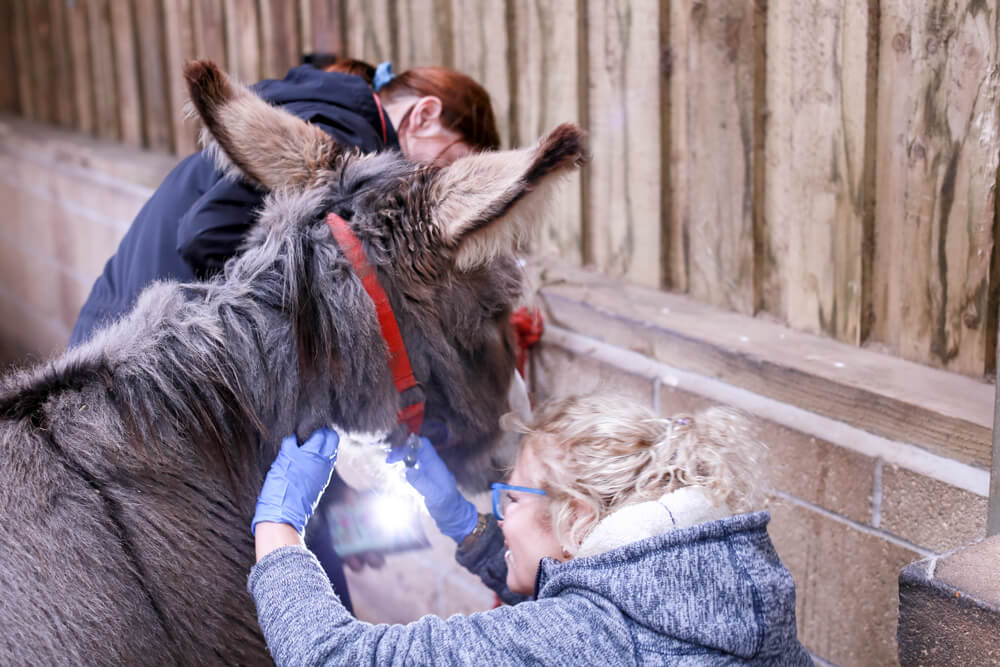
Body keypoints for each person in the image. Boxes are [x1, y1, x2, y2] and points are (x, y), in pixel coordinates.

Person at [67, 55, 502, 614]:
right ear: (423, 115)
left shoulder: (326, 108)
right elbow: (209, 234)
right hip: (148, 396)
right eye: (448, 168)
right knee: (304, 600)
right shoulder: (345, 139)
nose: (439, 189)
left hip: (114, 363)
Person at [249, 395, 813, 665]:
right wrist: (464, 526)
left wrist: (279, 528)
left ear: (581, 520)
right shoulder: (733, 583)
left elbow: (332, 659)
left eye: (513, 497)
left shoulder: (585, 641)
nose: (501, 514)